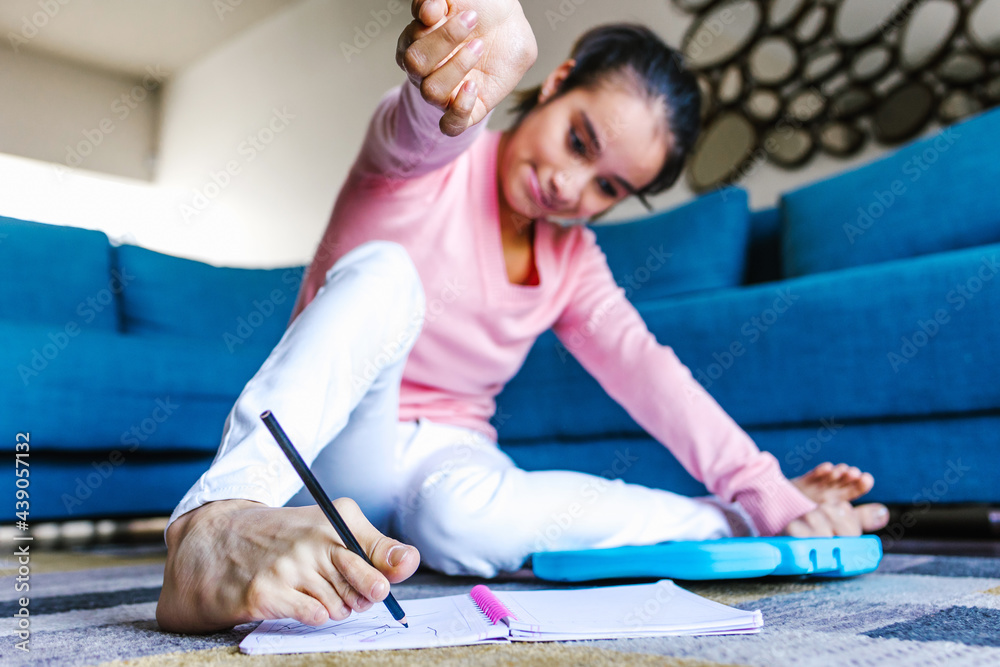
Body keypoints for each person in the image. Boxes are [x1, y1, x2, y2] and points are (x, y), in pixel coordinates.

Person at [157, 0, 889, 634]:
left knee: (465, 520)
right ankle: (214, 524)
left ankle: (736, 520)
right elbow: (428, 117)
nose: (569, 186)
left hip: (454, 459)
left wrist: (768, 496)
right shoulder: (423, 160)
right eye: (578, 140)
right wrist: (472, 61)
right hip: (348, 442)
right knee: (387, 271)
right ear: (559, 83)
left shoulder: (575, 264)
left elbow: (654, 378)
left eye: (608, 185)